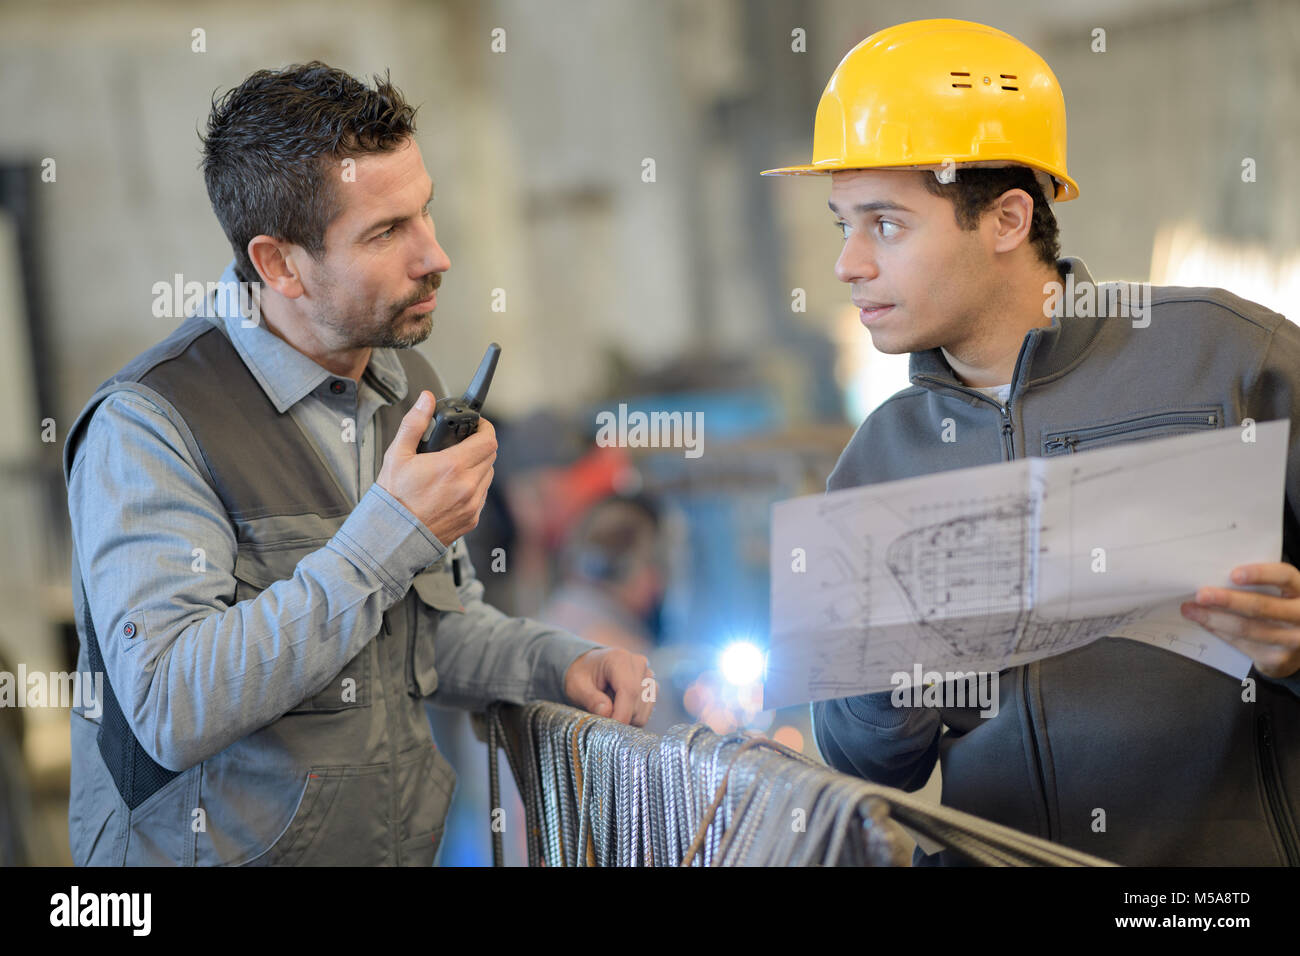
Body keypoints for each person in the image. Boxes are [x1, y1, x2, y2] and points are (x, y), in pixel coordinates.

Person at [62, 61, 653, 866]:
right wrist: (392, 532)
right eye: (385, 233)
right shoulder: (151, 425)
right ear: (278, 264)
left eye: (425, 214)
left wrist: (557, 663)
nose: (434, 256)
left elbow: (425, 638)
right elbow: (170, 706)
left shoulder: (406, 387)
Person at [762, 18, 1300, 865]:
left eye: (886, 224)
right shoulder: (877, 461)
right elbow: (867, 761)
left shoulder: (1227, 359)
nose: (848, 264)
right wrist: (899, 671)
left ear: (1008, 218)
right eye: (841, 225)